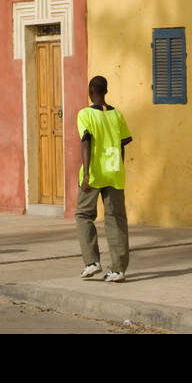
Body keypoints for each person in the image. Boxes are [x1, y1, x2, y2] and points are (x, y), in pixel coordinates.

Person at [75, 76, 132, 282]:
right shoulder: (117, 114)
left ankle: (92, 262)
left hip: (95, 174)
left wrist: (87, 174)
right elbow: (122, 144)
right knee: (116, 219)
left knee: (83, 215)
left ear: (91, 91)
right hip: (115, 172)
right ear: (105, 91)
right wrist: (119, 169)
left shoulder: (85, 114)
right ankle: (118, 269)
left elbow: (85, 142)